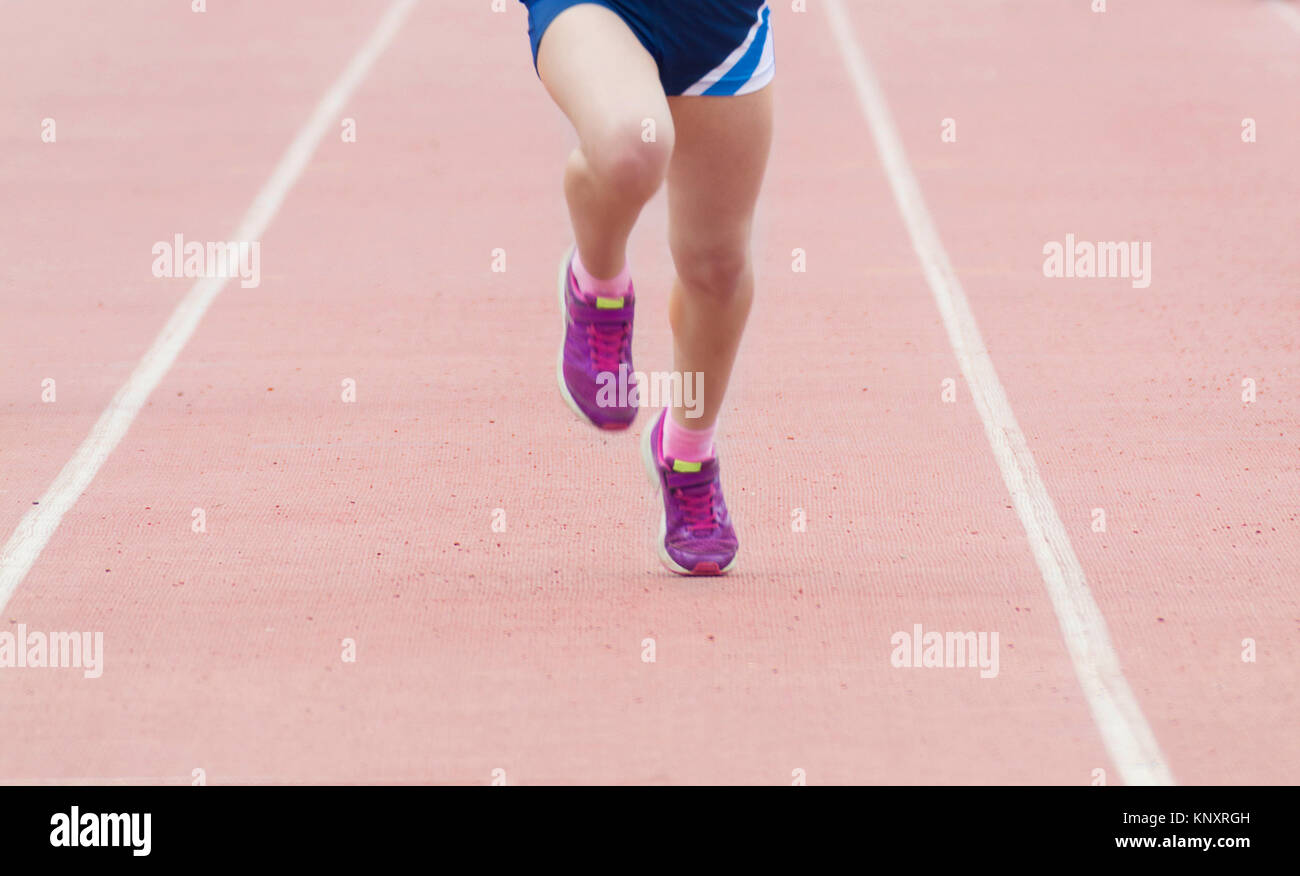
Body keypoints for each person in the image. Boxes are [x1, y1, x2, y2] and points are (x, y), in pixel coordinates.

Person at [521, 0, 774, 575]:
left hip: (719, 27)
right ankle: (598, 287)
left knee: (716, 265)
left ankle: (686, 451)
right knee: (633, 146)